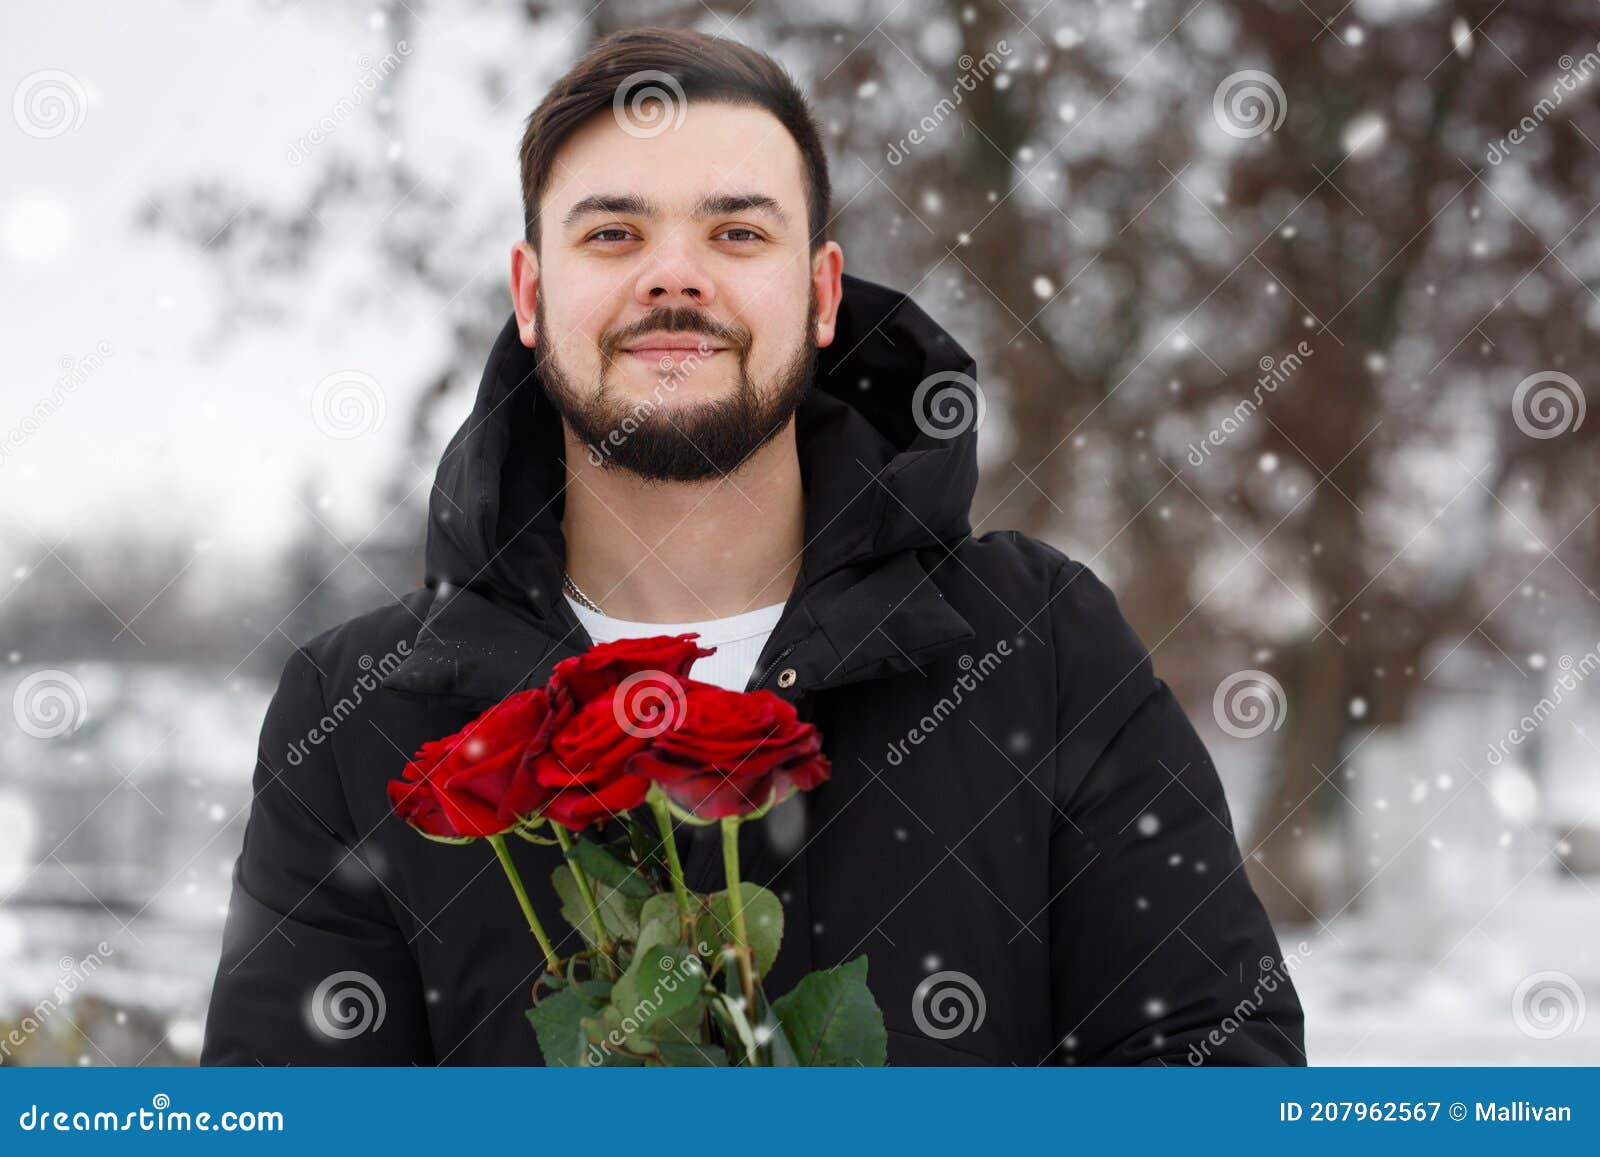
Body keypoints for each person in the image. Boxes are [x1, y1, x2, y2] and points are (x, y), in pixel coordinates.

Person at [202, 26, 1304, 1066]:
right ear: (532, 296)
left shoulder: (1039, 644)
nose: (673, 277)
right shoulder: (359, 709)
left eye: (737, 232)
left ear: (820, 293)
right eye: (613, 233)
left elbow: (1216, 1068)